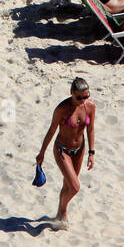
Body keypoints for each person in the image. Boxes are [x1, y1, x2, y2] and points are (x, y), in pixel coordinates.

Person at [35, 78, 96, 229]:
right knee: (75, 187)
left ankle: (61, 214)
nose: (83, 100)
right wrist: (41, 153)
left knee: (68, 185)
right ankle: (62, 211)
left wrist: (91, 152)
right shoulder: (62, 109)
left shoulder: (90, 106)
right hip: (62, 150)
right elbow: (51, 131)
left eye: (86, 96)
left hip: (79, 150)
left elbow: (90, 129)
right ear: (71, 93)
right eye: (79, 97)